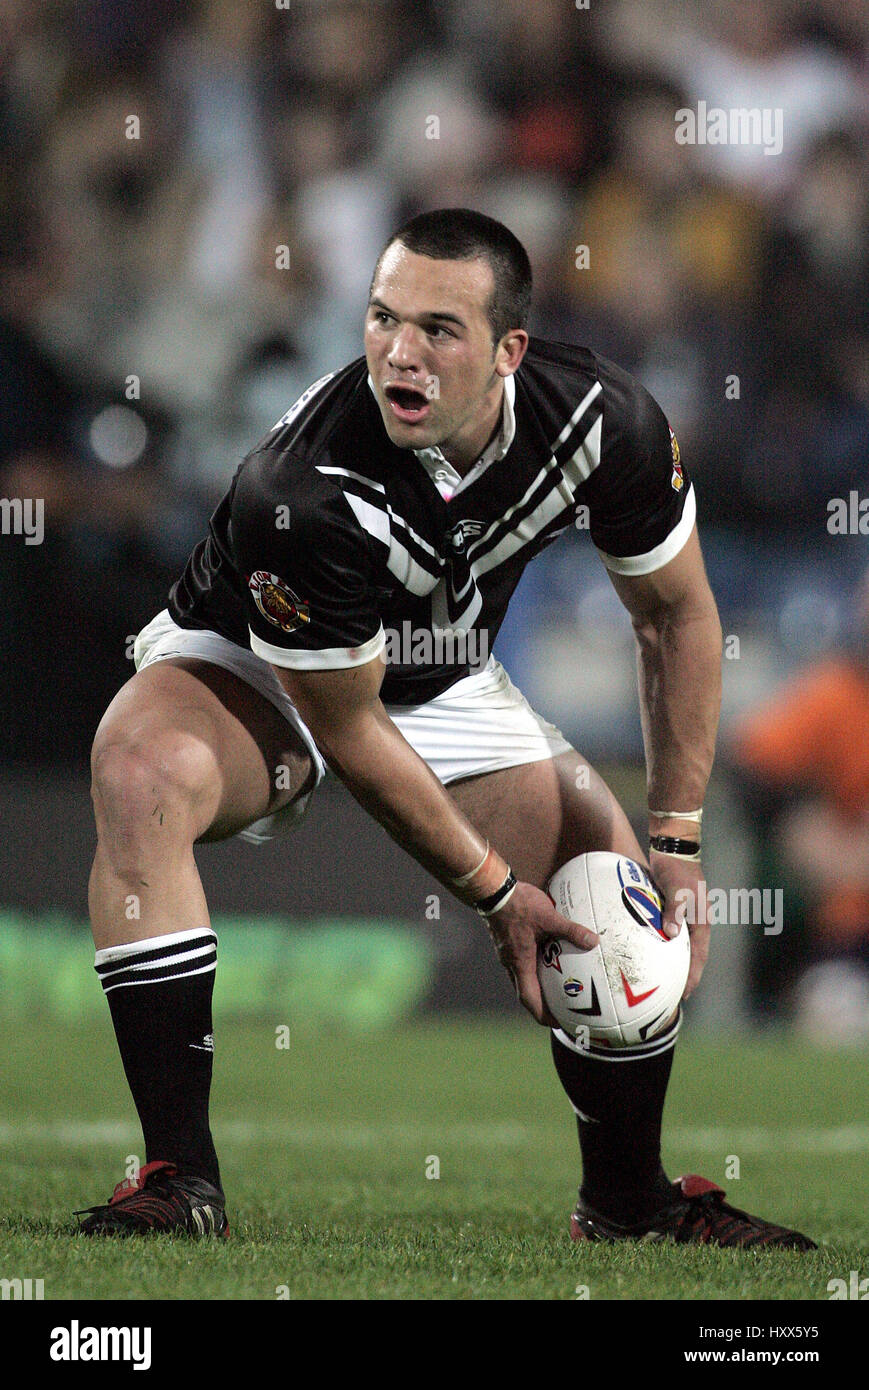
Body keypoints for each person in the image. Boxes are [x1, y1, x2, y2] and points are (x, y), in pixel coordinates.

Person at [77, 208, 814, 1248]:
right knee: (141, 765)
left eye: (437, 329)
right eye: (381, 320)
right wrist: (492, 893)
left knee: (608, 885)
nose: (397, 353)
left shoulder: (605, 422)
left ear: (509, 351)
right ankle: (176, 1177)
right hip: (256, 666)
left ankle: (625, 1203)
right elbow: (348, 729)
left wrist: (679, 841)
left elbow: (676, 615)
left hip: (438, 673)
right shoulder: (301, 490)